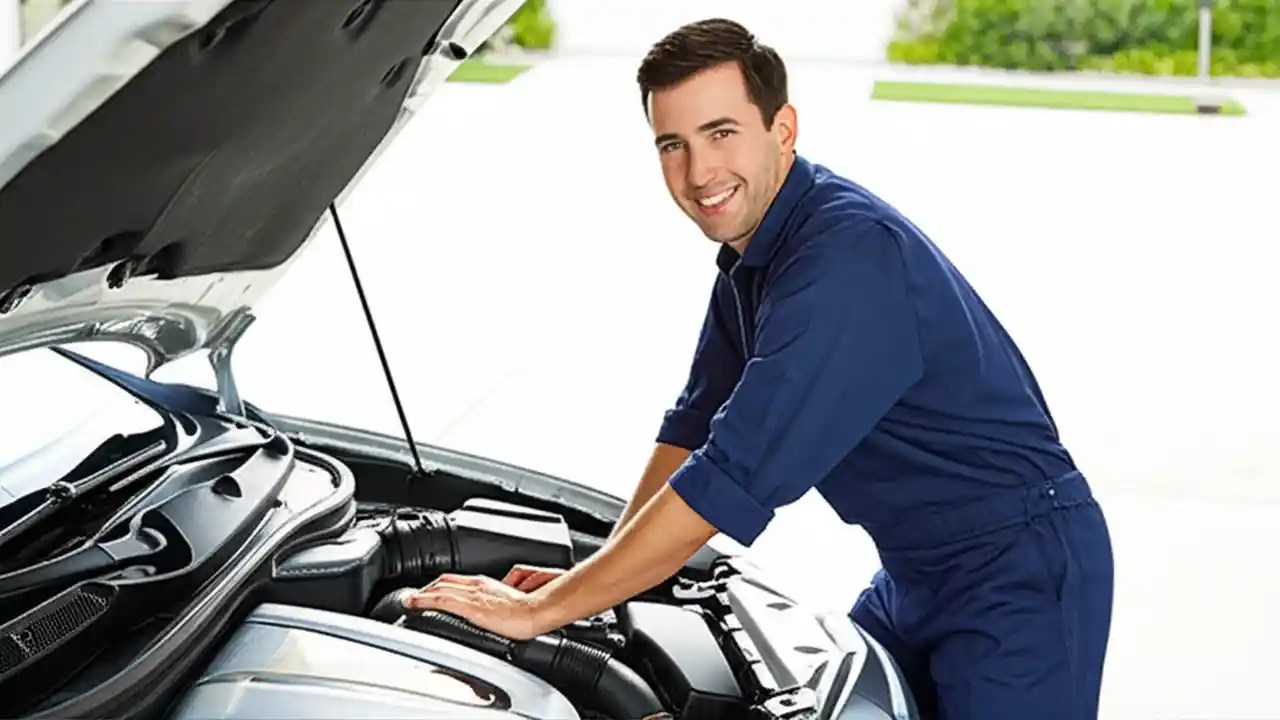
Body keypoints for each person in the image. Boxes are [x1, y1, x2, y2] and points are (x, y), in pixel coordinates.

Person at [404, 17, 1114, 720]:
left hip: (1020, 573)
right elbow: (690, 433)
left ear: (783, 130)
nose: (698, 172)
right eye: (672, 145)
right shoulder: (758, 258)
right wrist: (601, 579)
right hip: (916, 574)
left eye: (721, 133)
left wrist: (542, 610)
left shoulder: (845, 266)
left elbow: (729, 479)